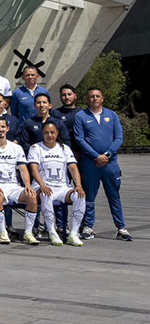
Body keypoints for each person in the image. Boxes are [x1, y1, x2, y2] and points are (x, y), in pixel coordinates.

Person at [72, 87, 131, 241]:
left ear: (102, 98)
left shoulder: (112, 115)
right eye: (91, 96)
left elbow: (118, 138)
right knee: (89, 196)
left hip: (110, 163)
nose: (95, 99)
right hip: (90, 163)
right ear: (87, 99)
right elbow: (79, 139)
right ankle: (88, 227)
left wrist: (107, 155)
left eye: (97, 96)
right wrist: (95, 156)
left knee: (114, 196)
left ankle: (121, 228)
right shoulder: (81, 116)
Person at [0, 116, 39, 245]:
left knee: (32, 197)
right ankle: (2, 231)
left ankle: (28, 233)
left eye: (3, 127)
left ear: (7, 129)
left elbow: (23, 169)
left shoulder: (16, 148)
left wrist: (28, 185)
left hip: (13, 186)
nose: (0, 129)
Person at [27, 122, 87, 246]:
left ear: (57, 133)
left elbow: (73, 168)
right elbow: (34, 169)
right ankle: (52, 232)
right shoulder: (35, 148)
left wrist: (78, 186)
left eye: (52, 132)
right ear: (42, 134)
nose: (49, 135)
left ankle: (73, 234)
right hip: (43, 186)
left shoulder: (64, 148)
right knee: (46, 195)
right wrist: (42, 185)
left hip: (62, 188)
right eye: (46, 133)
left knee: (79, 196)